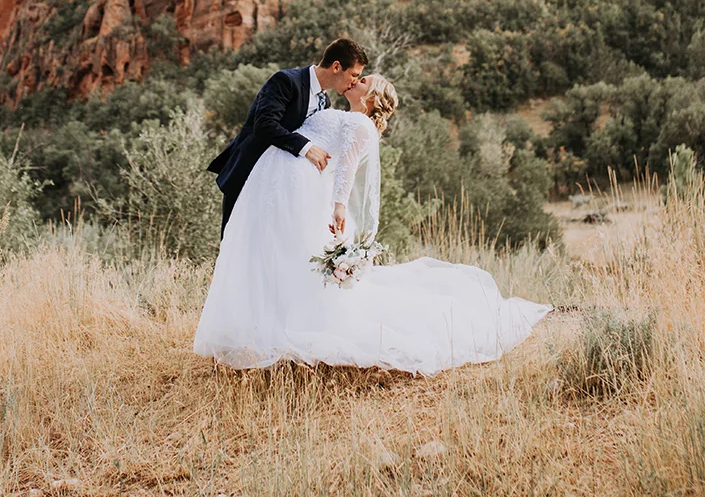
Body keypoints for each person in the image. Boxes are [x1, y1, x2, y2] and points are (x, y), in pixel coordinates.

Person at [195, 72, 551, 374]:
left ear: (372, 96)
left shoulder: (361, 125)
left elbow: (346, 168)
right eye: (356, 75)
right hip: (291, 195)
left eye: (363, 80)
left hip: (312, 201)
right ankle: (263, 326)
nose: (355, 80)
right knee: (281, 260)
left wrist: (338, 208)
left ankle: (287, 331)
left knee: (298, 264)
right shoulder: (329, 107)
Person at [207, 37, 368, 235]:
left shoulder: (324, 101)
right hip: (250, 171)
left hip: (279, 187)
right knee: (236, 243)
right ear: (336, 67)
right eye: (354, 74)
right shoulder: (285, 81)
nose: (354, 81)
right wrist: (307, 148)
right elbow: (265, 125)